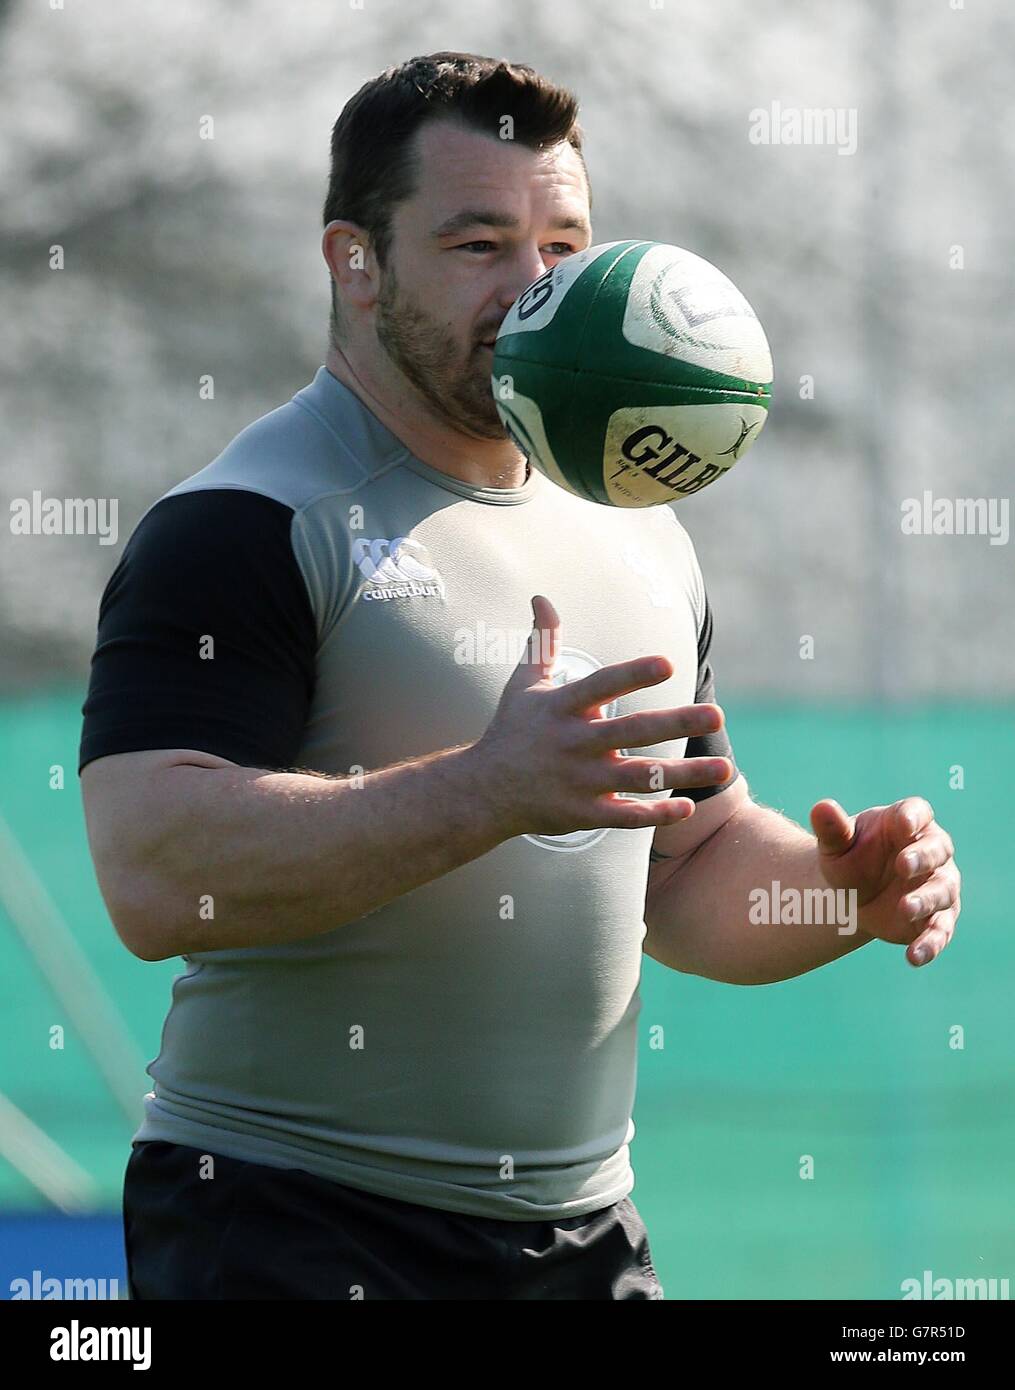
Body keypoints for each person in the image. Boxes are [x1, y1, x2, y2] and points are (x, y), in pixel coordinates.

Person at [79, 51, 961, 1301]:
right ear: (355, 260)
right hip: (286, 1218)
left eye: (563, 241)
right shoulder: (246, 519)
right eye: (479, 243)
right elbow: (152, 873)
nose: (536, 287)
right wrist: (486, 788)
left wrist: (838, 895)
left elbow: (691, 870)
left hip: (582, 1235)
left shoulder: (641, 522)